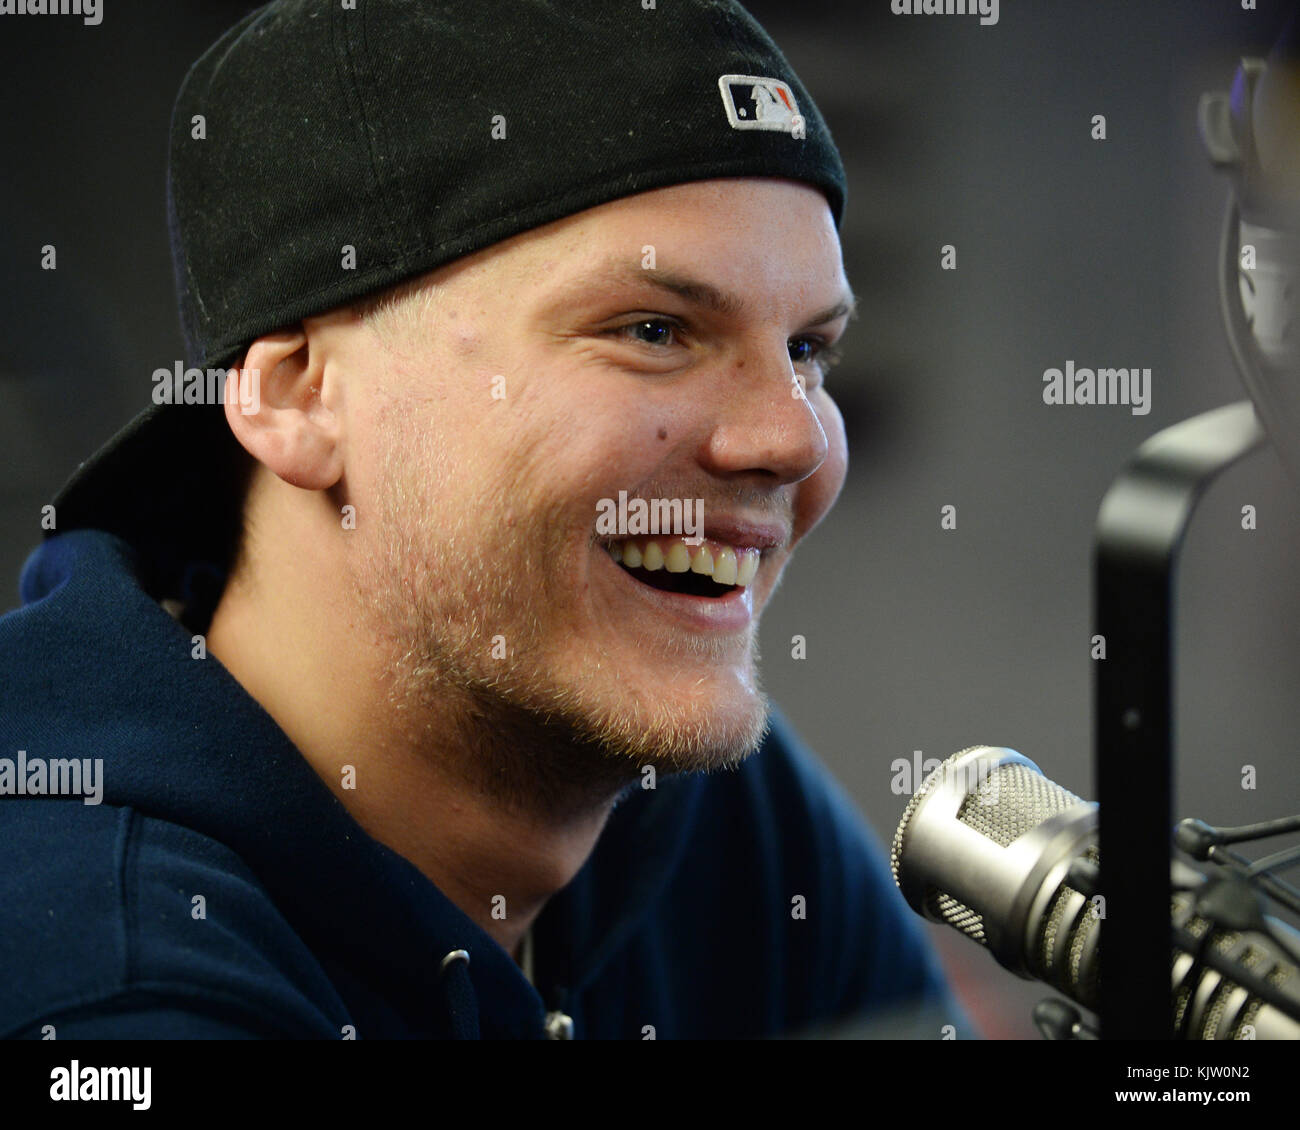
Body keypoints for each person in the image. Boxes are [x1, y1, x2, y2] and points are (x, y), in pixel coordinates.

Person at [0, 0, 968, 1039]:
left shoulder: (703, 809)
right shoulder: (108, 977)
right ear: (295, 396)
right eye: (653, 330)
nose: (792, 437)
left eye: (809, 349)